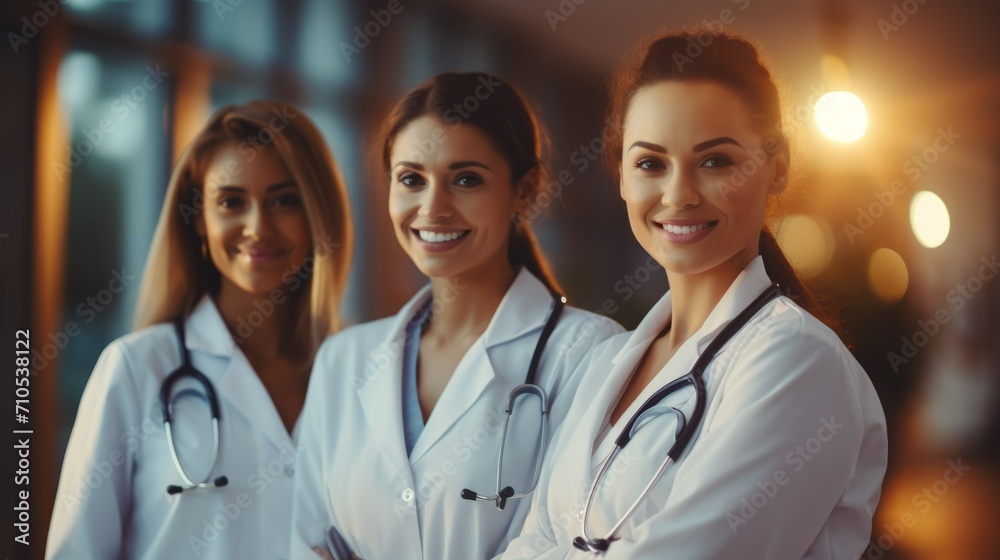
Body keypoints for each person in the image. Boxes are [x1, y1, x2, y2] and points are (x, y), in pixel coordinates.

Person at [498, 30, 888, 559]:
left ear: (777, 166)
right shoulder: (606, 361)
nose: (678, 194)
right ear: (620, 176)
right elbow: (530, 541)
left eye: (715, 161)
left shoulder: (799, 359)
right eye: (650, 164)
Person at [289, 72, 624, 560]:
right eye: (411, 179)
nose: (433, 208)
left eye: (466, 179)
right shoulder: (343, 360)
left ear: (525, 190)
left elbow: (584, 546)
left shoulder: (589, 353)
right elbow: (305, 540)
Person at [46, 100, 353, 559]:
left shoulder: (361, 371)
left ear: (318, 213)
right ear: (198, 220)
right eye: (231, 202)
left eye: (284, 200)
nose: (258, 227)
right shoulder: (137, 367)